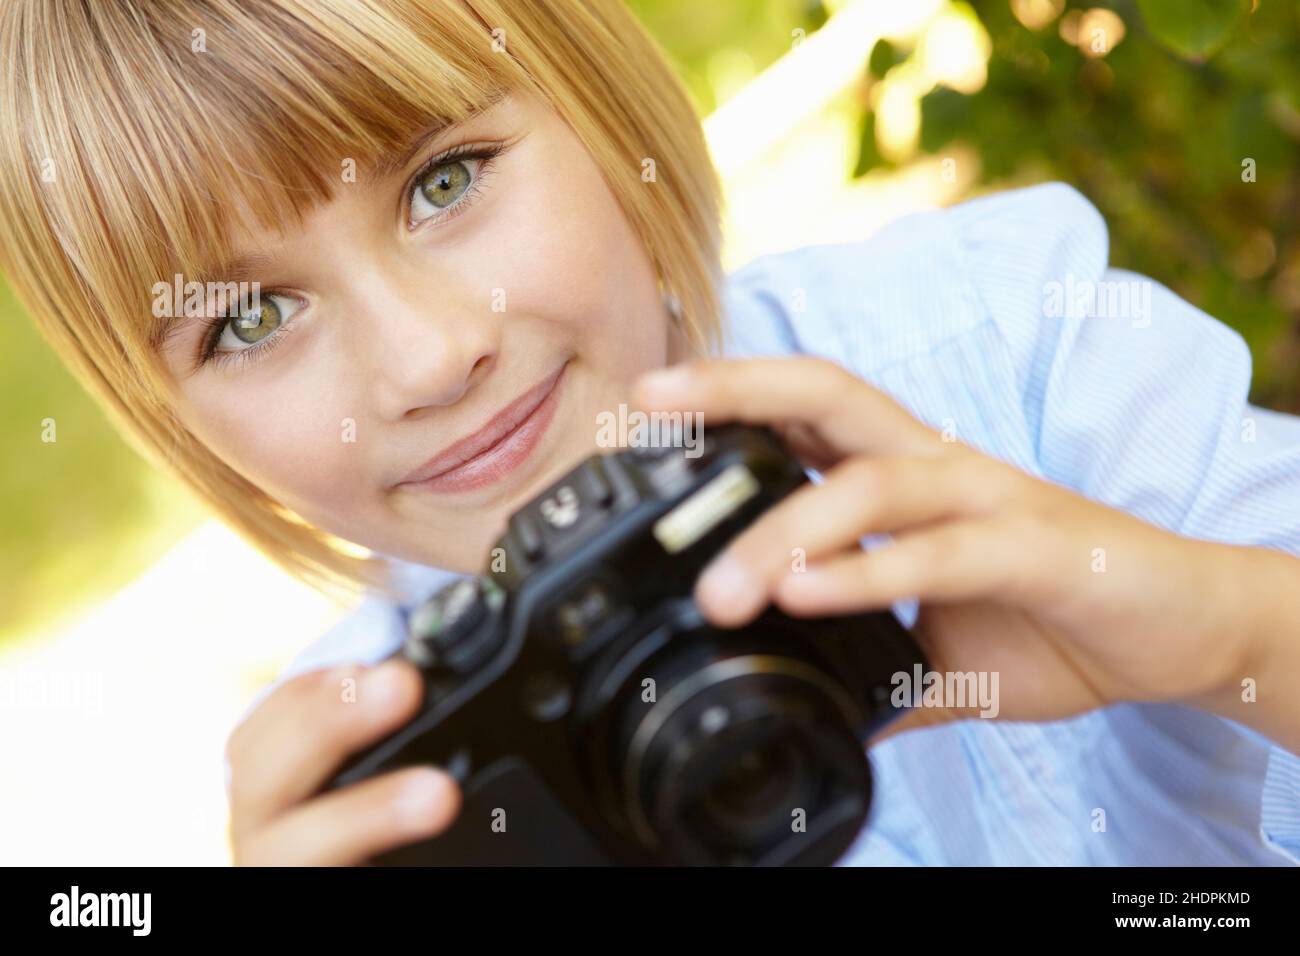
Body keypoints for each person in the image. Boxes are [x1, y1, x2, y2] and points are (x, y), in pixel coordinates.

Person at [1, 0, 1296, 867]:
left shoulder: (998, 347)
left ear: (605, 114)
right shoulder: (393, 792)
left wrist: (1234, 631)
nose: (429, 358)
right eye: (248, 319)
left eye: (444, 179)